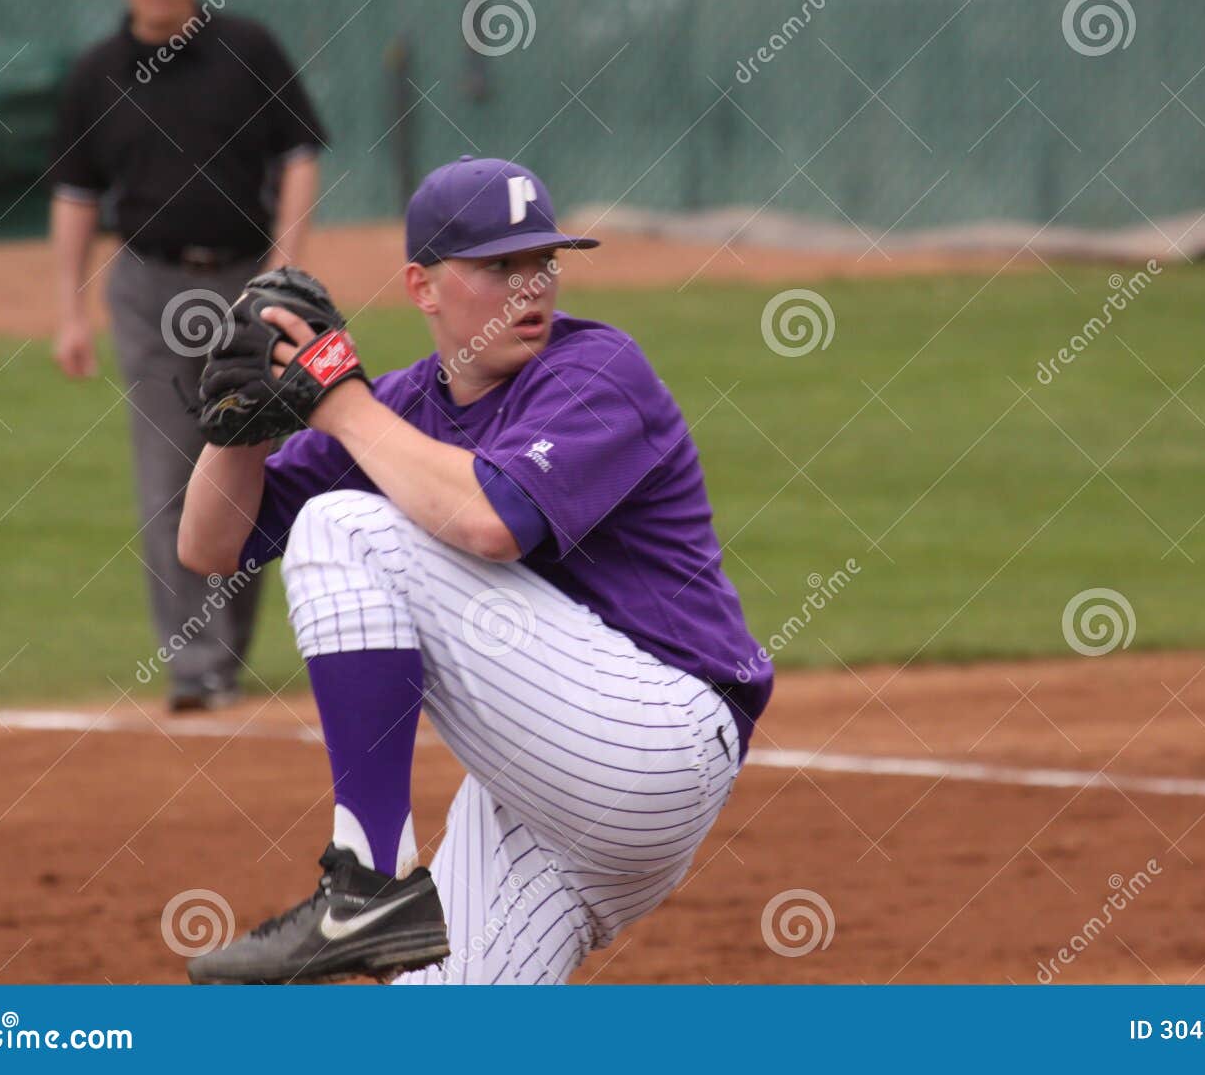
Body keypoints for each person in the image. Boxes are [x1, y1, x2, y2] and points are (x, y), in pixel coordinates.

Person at [175, 156, 773, 984]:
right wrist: (235, 428)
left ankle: (371, 882)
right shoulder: (398, 412)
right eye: (500, 266)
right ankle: (382, 907)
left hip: (653, 737)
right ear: (423, 287)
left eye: (543, 262)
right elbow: (209, 547)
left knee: (341, 524)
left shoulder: (599, 372)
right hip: (541, 804)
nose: (530, 287)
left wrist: (337, 401)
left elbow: (492, 521)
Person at [48, 0, 327, 710]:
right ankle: (198, 662)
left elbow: (300, 152)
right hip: (149, 287)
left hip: (245, 278)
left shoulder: (248, 48)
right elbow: (74, 196)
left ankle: (237, 646)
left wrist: (286, 265)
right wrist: (69, 309)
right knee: (172, 471)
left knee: (252, 459)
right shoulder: (96, 75)